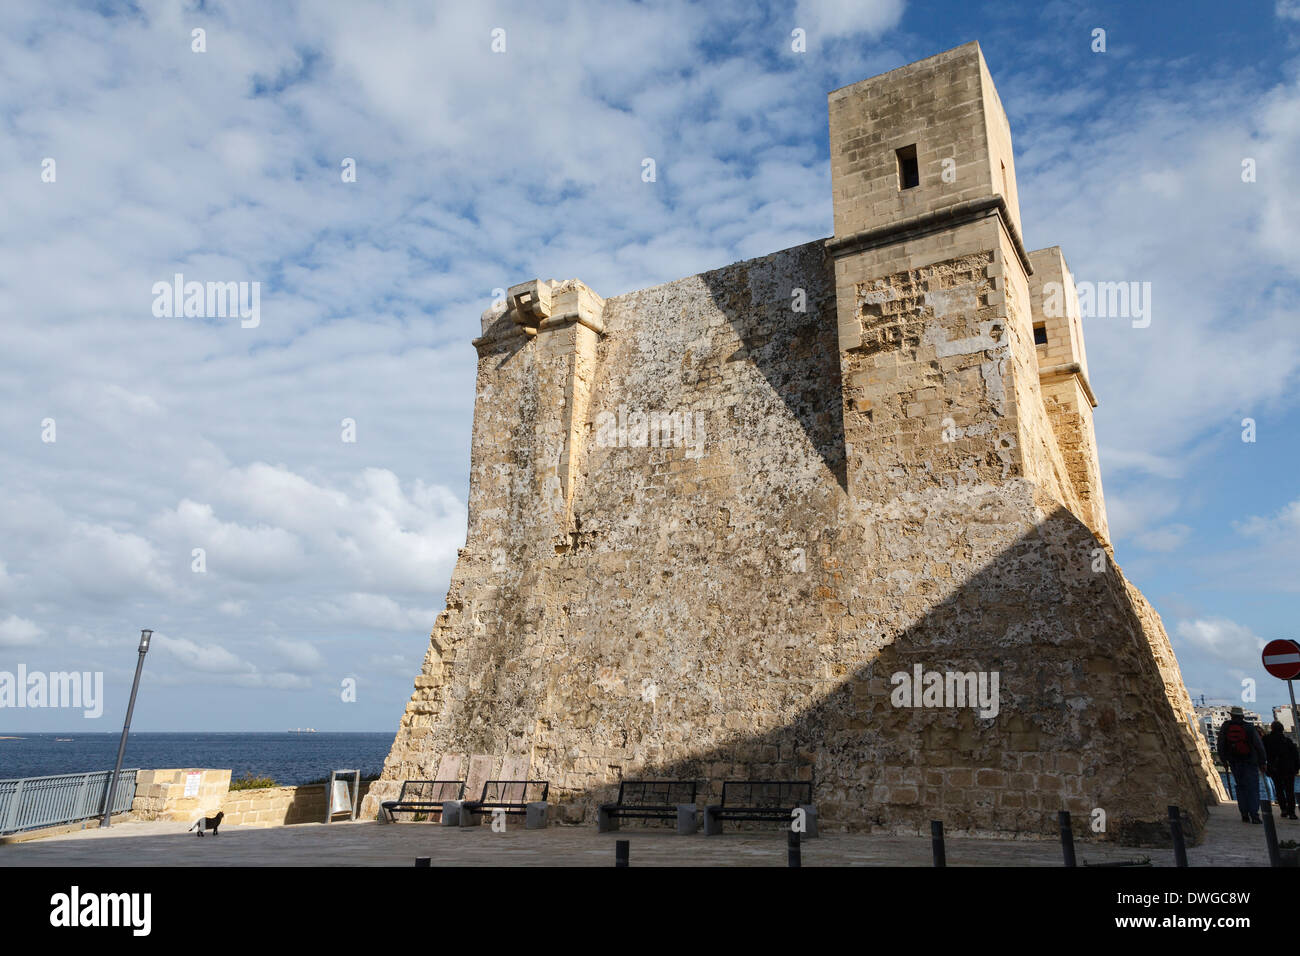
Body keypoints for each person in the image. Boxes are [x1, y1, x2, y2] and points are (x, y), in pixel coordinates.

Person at [1218, 707, 1268, 823]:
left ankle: (1244, 813)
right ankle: (1254, 815)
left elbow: (1221, 744)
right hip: (1250, 761)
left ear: (1231, 716)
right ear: (1242, 716)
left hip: (1234, 762)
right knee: (1253, 788)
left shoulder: (1226, 727)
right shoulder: (1249, 727)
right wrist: (1263, 761)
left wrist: (1224, 760)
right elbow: (1259, 746)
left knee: (1240, 787)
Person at [1263, 721, 1299, 820]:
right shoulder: (1287, 741)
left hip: (1275, 769)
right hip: (1288, 769)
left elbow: (1263, 753)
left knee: (1279, 789)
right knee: (1289, 791)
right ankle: (1292, 812)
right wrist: (1296, 768)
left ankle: (1283, 809)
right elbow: (1295, 756)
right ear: (1282, 729)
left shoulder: (1266, 740)